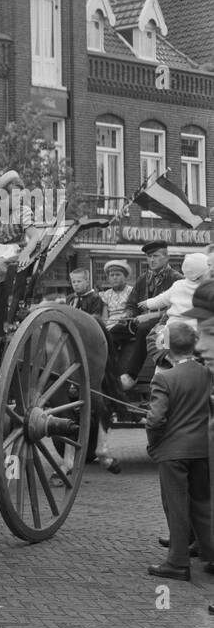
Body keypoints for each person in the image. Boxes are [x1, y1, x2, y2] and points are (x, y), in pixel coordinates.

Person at [145, 323, 214, 581]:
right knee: (202, 504)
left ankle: (177, 562)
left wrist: (153, 444)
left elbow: (156, 420)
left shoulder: (163, 378)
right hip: (201, 449)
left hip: (173, 453)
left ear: (167, 348)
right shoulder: (205, 373)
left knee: (176, 506)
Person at [119, 241, 179, 390]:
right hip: (139, 322)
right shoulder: (142, 279)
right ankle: (107, 372)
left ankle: (131, 375)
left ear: (166, 257)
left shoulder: (177, 280)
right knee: (113, 332)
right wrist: (128, 314)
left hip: (164, 324)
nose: (152, 260)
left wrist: (150, 317)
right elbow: (131, 304)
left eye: (156, 256)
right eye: (149, 256)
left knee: (144, 329)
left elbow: (176, 309)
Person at [141, 252, 210, 362]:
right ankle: (191, 359)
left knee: (159, 340)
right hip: (194, 331)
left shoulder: (178, 285)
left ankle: (168, 358)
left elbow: (162, 299)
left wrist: (148, 303)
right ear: (200, 276)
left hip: (171, 327)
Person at [0, 170, 39, 283]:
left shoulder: (22, 212)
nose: (20, 198)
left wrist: (26, 253)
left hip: (15, 254)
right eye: (15, 195)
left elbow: (34, 237)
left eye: (20, 194)